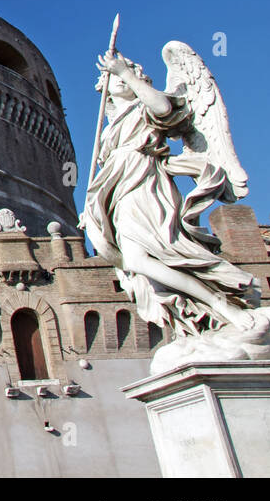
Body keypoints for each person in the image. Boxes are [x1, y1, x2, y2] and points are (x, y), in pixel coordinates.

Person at [80, 52, 256, 336]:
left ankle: (220, 303)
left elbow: (163, 108)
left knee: (160, 251)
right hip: (119, 192)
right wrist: (92, 209)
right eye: (109, 77)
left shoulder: (142, 107)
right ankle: (202, 309)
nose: (113, 78)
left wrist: (125, 73)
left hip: (146, 183)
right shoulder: (109, 129)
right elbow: (106, 173)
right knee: (133, 260)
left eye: (118, 74)